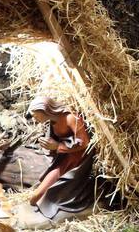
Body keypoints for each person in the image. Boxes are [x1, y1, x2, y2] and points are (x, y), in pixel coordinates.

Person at [23, 96, 95, 225]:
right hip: (65, 157)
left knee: (47, 194)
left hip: (79, 159)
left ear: (45, 110)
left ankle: (56, 205)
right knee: (35, 197)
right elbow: (55, 143)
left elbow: (84, 143)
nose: (35, 119)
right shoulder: (52, 122)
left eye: (36, 115)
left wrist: (57, 146)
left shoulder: (71, 118)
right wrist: (49, 146)